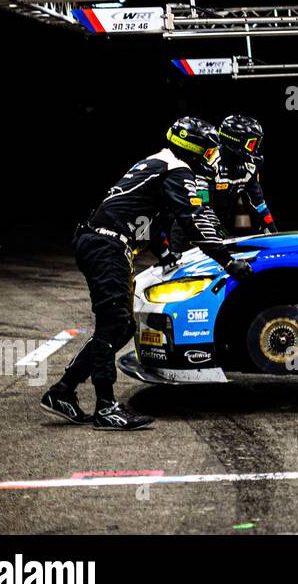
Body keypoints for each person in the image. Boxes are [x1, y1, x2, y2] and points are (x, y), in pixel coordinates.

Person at [41, 117, 253, 431]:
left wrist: (166, 253)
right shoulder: (176, 169)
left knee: (122, 326)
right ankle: (105, 408)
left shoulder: (158, 162)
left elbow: (146, 217)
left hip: (102, 241)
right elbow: (194, 220)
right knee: (112, 324)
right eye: (208, 152)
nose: (212, 158)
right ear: (193, 147)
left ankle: (63, 391)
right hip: (106, 245)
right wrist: (228, 261)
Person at [212, 115, 277, 233]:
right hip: (191, 227)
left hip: (218, 227)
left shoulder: (249, 168)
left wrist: (272, 230)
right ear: (235, 141)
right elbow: (200, 203)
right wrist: (211, 229)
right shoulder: (209, 163)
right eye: (252, 144)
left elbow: (258, 203)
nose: (255, 150)